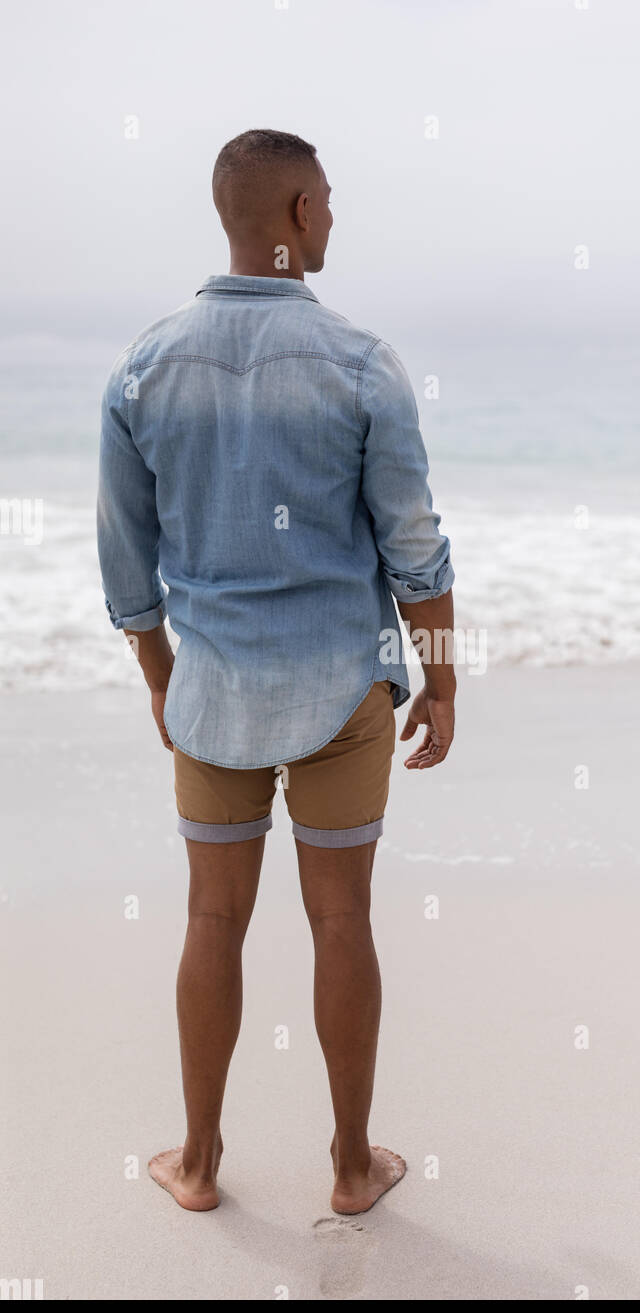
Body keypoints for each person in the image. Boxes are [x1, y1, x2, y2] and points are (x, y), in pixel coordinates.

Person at [96, 129, 455, 1217]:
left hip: (211, 692)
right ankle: (351, 1166)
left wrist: (162, 675)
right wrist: (442, 680)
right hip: (341, 688)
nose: (335, 220)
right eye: (330, 203)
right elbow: (415, 548)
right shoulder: (358, 362)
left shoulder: (146, 366)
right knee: (341, 917)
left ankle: (198, 1162)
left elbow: (125, 558)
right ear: (297, 213)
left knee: (213, 919)